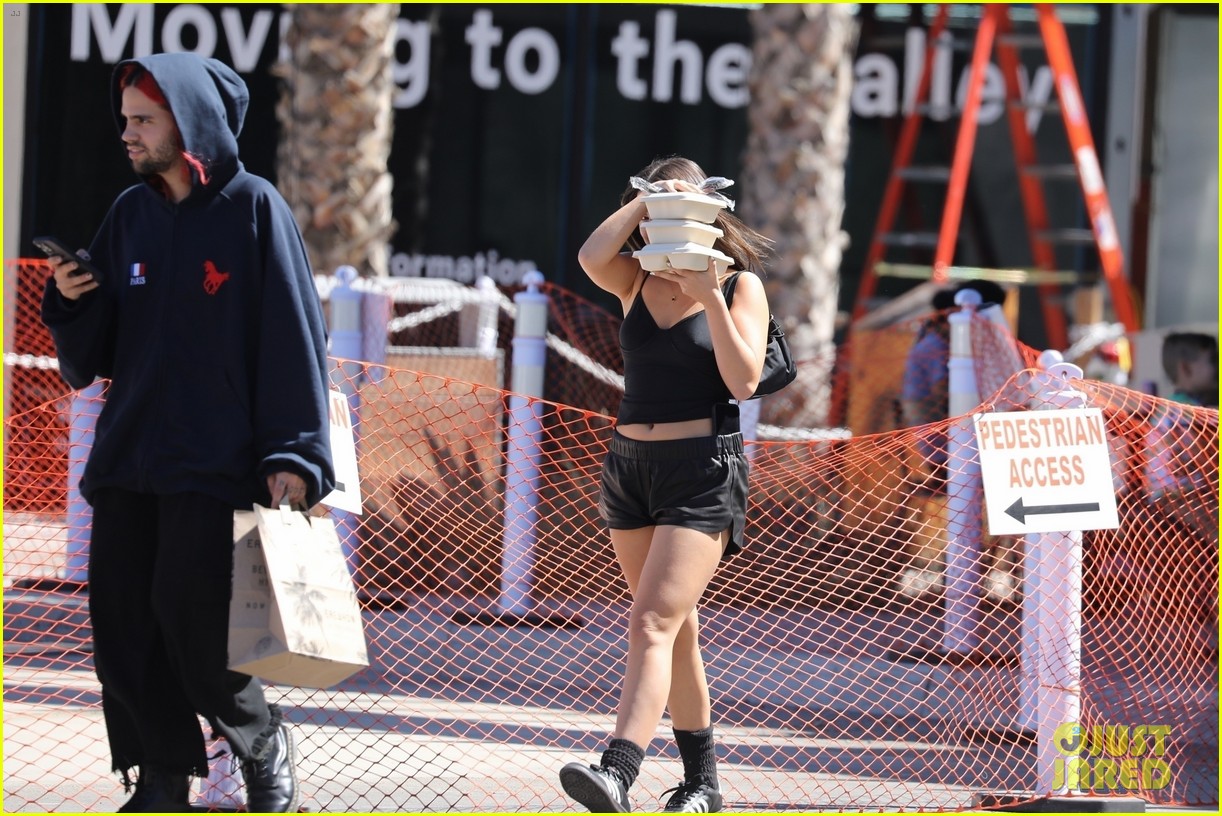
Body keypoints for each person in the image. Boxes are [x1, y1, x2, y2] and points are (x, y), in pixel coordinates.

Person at [40, 53, 334, 813]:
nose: (127, 134)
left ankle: (262, 740)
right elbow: (91, 358)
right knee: (124, 636)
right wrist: (72, 302)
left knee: (195, 628)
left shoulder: (254, 208)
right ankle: (164, 778)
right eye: (125, 119)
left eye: (143, 120)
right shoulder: (128, 215)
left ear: (188, 122)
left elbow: (293, 338)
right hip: (131, 459)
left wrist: (296, 453)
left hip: (217, 463)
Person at [558, 156, 772, 813]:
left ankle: (618, 771)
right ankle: (702, 784)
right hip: (631, 471)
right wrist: (649, 200)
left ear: (711, 212)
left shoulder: (739, 287)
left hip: (703, 470)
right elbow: (592, 254)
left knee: (650, 622)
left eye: (690, 205)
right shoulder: (633, 280)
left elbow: (744, 382)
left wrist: (708, 292)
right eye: (657, 208)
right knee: (674, 630)